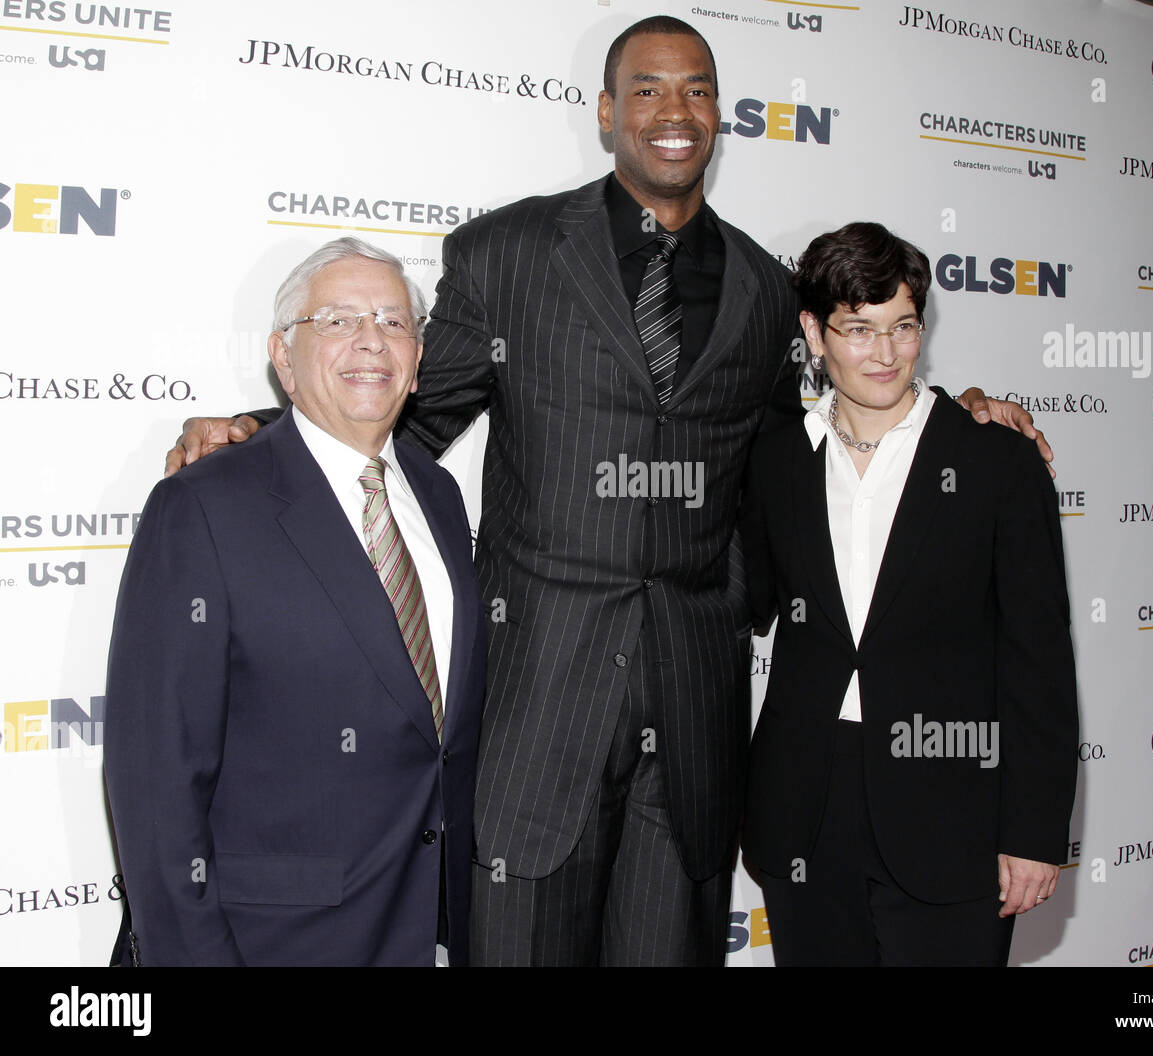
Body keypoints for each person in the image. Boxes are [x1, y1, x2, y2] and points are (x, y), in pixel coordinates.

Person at [161, 17, 1050, 966]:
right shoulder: (509, 254)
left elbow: (814, 440)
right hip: (537, 718)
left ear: (720, 115)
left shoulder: (759, 284)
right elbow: (401, 419)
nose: (676, 111)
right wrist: (258, 432)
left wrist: (959, 412)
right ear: (605, 112)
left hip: (697, 731)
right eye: (649, 90)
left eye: (698, 90)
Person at [104, 238, 486, 965]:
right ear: (282, 354)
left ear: (418, 358)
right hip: (267, 942)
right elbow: (154, 775)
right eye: (338, 321)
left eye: (395, 321)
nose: (372, 340)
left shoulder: (437, 494)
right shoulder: (203, 505)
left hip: (422, 934)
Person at [740, 222, 1078, 966]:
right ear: (814, 333)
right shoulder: (775, 459)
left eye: (903, 327)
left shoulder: (994, 458)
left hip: (954, 810)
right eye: (859, 330)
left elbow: (1040, 659)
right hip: (806, 808)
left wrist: (1032, 834)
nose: (885, 354)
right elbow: (748, 599)